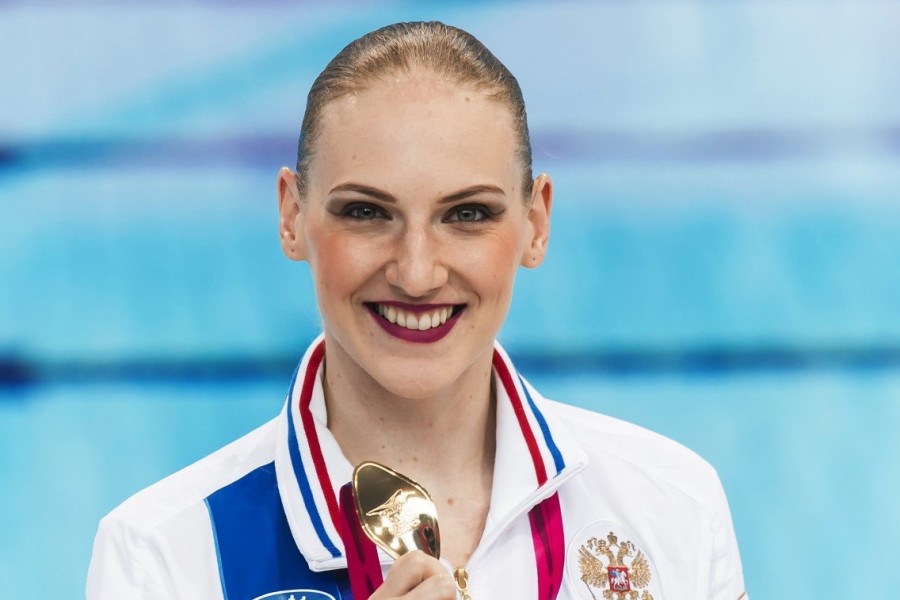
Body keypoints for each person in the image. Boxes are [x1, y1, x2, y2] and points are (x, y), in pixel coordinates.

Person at [87, 21, 747, 600]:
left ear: (536, 224)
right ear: (292, 216)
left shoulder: (672, 504)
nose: (417, 273)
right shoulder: (163, 555)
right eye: (366, 212)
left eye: (468, 214)